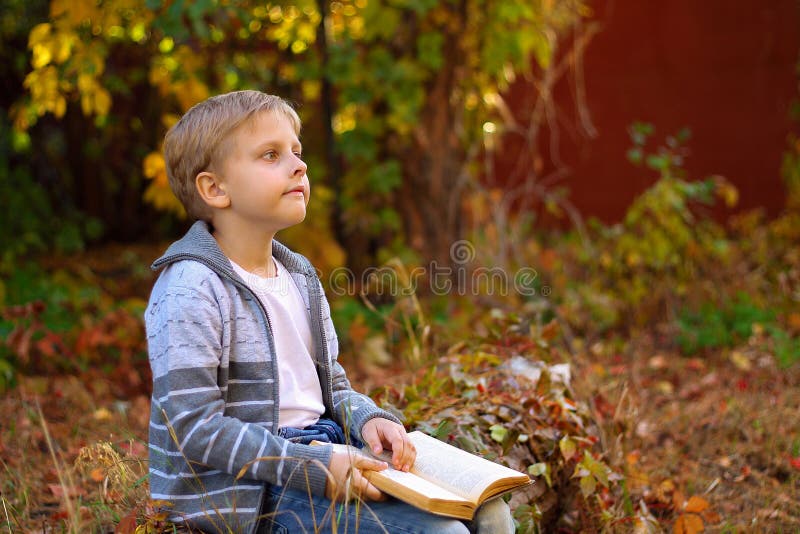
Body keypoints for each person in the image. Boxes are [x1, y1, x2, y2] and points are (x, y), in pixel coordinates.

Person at [145, 90, 514, 534]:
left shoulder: (299, 275)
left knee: (491, 513)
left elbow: (330, 385)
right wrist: (314, 466)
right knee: (443, 533)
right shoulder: (191, 287)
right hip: (253, 493)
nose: (299, 166)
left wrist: (368, 418)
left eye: (297, 153)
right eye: (271, 155)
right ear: (214, 188)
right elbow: (195, 428)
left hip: (330, 449)